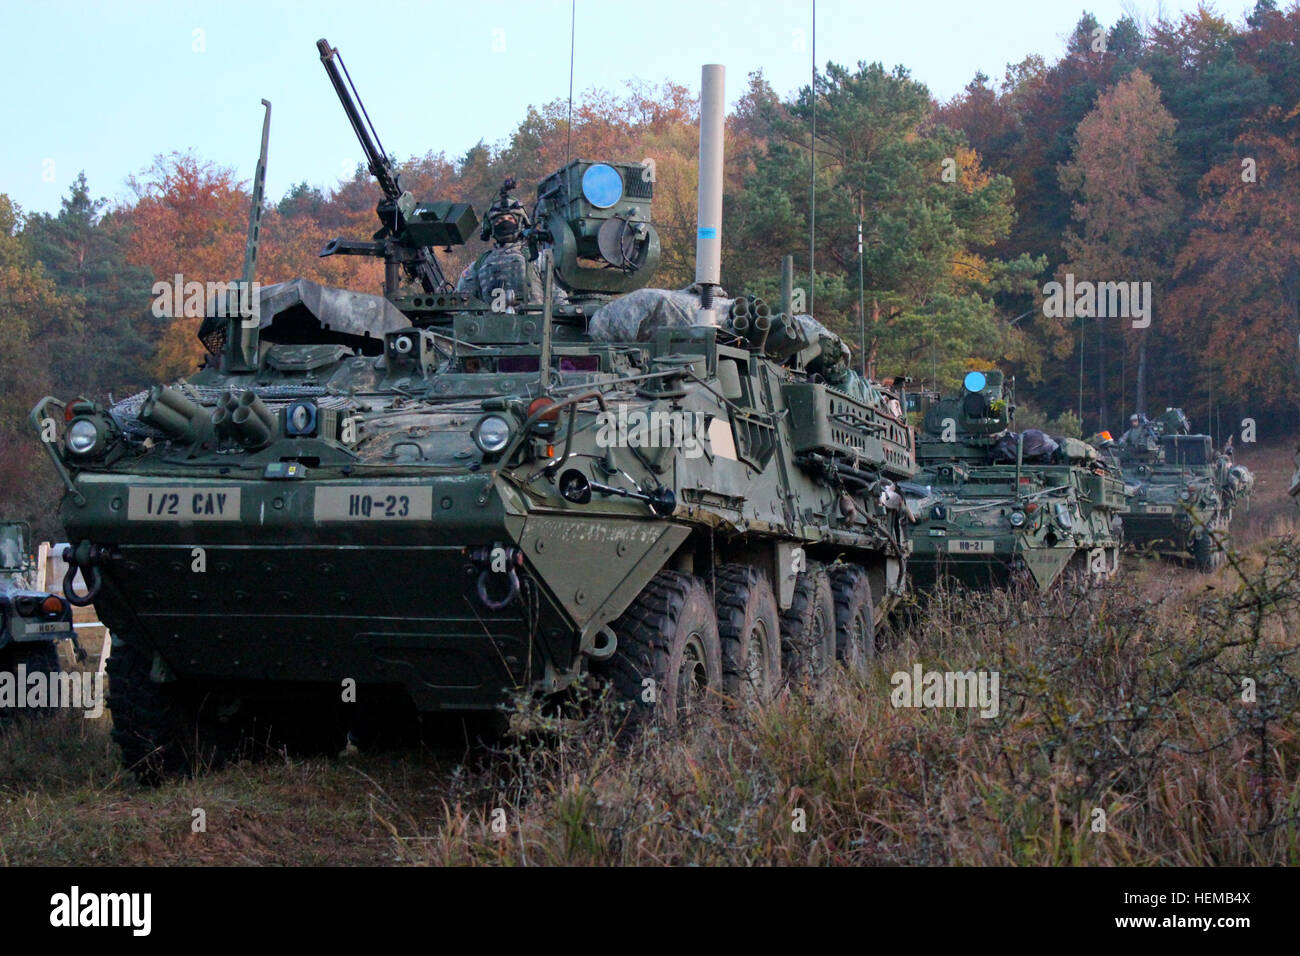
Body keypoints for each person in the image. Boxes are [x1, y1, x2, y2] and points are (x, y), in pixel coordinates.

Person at [456, 178, 562, 309]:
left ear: (520, 222)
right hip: (491, 326)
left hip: (535, 326)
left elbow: (559, 301)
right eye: (500, 220)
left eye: (510, 218)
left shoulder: (538, 261)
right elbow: (461, 305)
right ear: (491, 227)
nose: (505, 223)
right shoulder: (477, 267)